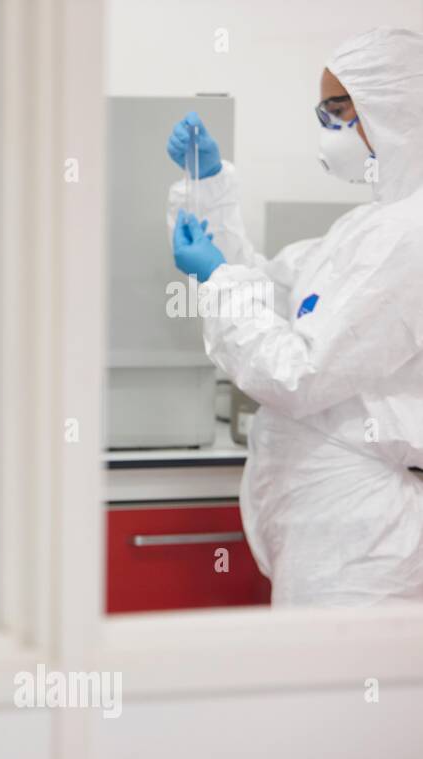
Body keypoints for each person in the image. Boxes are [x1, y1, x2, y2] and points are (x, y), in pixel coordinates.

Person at [164, 27, 423, 606]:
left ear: (395, 109)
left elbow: (297, 374)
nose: (328, 131)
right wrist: (205, 188)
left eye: (338, 112)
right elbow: (271, 291)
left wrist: (217, 278)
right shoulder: (372, 225)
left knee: (340, 690)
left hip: (364, 541)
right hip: (334, 522)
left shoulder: (409, 237)